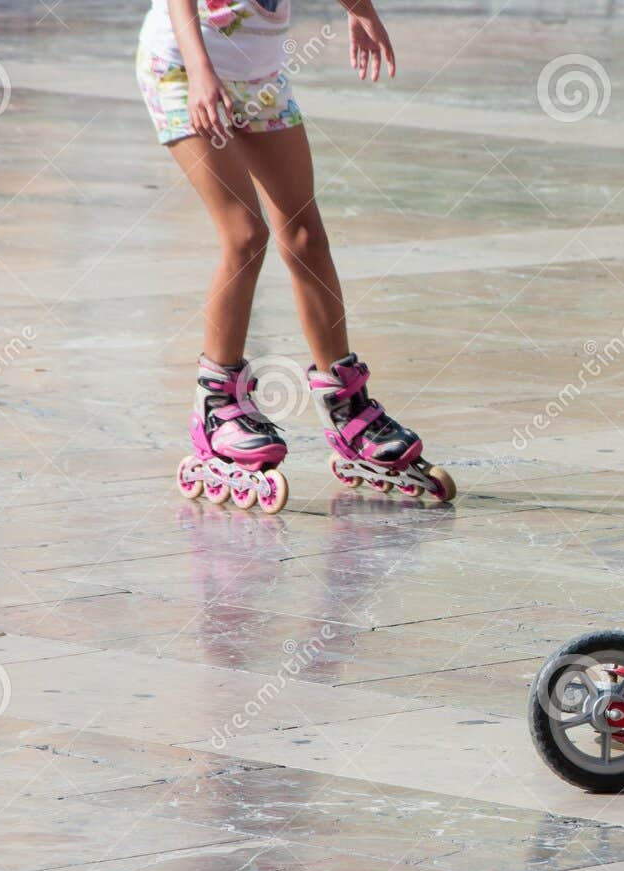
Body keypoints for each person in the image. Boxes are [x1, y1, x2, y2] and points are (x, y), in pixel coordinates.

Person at [139, 0, 453, 512]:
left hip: (260, 77)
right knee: (244, 235)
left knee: (306, 235)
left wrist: (360, 10)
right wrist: (200, 71)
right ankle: (217, 406)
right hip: (182, 67)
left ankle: (347, 405)